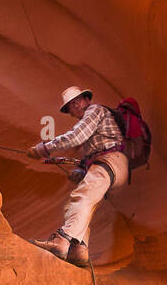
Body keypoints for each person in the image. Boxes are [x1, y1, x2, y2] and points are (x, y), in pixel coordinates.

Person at [27, 86, 129, 268]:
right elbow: (92, 153)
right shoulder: (95, 125)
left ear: (85, 99)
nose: (74, 106)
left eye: (76, 101)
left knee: (81, 198)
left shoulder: (95, 110)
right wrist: (81, 171)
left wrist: (45, 148)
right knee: (84, 203)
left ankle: (62, 241)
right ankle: (79, 249)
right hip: (111, 164)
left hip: (110, 161)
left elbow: (75, 136)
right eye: (70, 106)